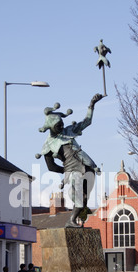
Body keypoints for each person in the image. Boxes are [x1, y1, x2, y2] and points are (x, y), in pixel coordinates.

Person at [35, 93, 103, 227]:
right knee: (78, 196)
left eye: (61, 124)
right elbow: (51, 167)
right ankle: (71, 220)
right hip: (72, 170)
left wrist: (91, 105)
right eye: (58, 126)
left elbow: (87, 122)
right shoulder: (48, 145)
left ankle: (72, 220)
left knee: (84, 199)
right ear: (50, 127)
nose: (61, 127)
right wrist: (65, 170)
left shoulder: (68, 131)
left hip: (88, 167)